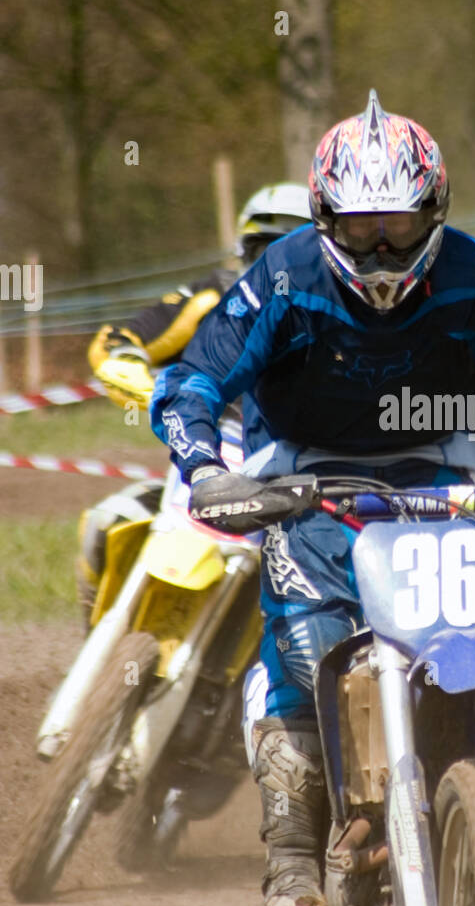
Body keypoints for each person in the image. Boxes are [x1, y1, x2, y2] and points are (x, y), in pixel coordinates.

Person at [150, 90, 475, 906]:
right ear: (323, 220)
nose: (381, 247)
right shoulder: (282, 278)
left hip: (447, 486)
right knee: (306, 650)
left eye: (397, 224)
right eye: (359, 229)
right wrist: (207, 469)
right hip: (310, 489)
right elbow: (191, 381)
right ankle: (290, 864)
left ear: (435, 211)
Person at [72, 183, 312, 626]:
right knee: (106, 525)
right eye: (265, 251)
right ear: (243, 251)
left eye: (293, 252)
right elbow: (123, 339)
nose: (278, 268)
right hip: (207, 466)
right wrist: (136, 373)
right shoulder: (212, 298)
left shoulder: (338, 314)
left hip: (302, 484)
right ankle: (100, 638)